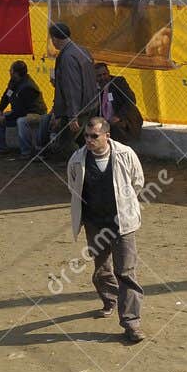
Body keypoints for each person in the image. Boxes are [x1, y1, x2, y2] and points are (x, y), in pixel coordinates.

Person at [66, 113, 145, 343]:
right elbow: (73, 186)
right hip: (94, 223)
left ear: (106, 136)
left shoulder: (125, 154)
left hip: (123, 224)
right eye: (86, 136)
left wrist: (125, 207)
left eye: (94, 136)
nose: (89, 140)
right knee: (101, 271)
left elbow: (137, 182)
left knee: (127, 273)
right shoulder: (77, 159)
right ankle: (110, 298)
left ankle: (131, 323)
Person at [19, 20, 100, 160]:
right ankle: (89, 165)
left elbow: (72, 87)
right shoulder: (82, 50)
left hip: (78, 109)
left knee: (65, 144)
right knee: (83, 140)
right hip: (90, 104)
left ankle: (79, 170)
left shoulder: (67, 57)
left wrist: (73, 115)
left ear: (55, 38)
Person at [0, 60, 46, 157]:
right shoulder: (14, 82)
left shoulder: (27, 87)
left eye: (10, 70)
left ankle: (27, 152)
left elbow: (22, 111)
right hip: (19, 112)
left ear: (15, 73)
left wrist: (6, 118)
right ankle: (0, 149)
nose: (9, 72)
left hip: (35, 114)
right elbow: (7, 95)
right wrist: (0, 110)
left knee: (21, 121)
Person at [95, 60, 143, 143]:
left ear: (108, 72)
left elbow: (131, 100)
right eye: (99, 76)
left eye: (104, 74)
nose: (103, 77)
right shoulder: (95, 88)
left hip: (124, 118)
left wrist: (118, 116)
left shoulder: (118, 82)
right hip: (104, 120)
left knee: (115, 128)